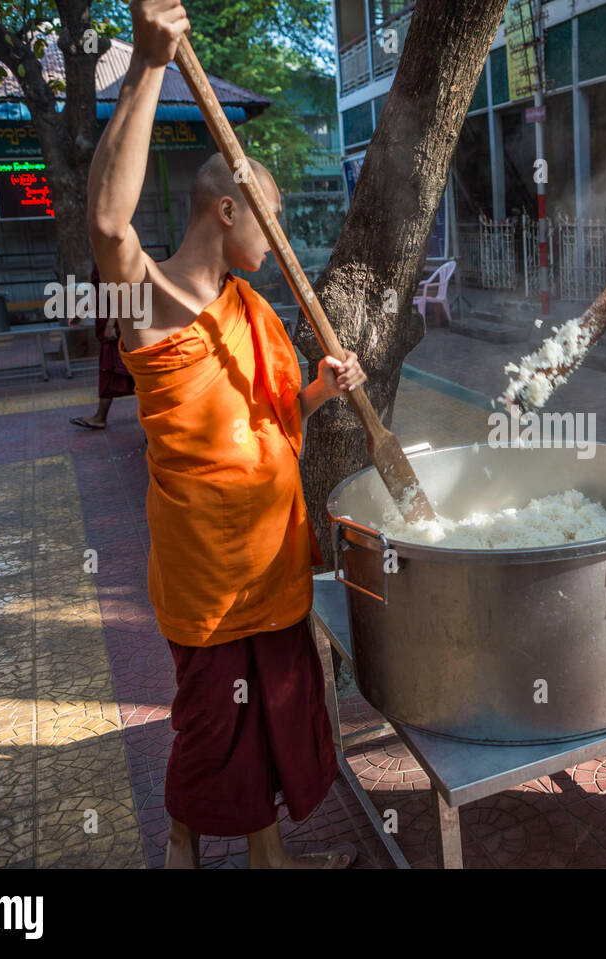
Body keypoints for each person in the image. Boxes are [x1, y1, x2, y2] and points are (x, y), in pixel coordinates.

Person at [88, 0, 366, 868]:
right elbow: (106, 224)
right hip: (207, 574)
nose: (280, 240)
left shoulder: (252, 308)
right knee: (215, 725)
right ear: (225, 212)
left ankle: (267, 857)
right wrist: (147, 64)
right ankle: (185, 844)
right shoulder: (150, 302)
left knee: (274, 717)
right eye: (271, 219)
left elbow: (270, 422)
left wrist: (317, 391)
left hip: (275, 566)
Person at [70, 266, 135, 429]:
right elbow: (97, 294)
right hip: (112, 329)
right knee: (118, 373)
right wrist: (80, 315)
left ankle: (100, 417)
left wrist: (111, 324)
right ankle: (100, 416)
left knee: (119, 371)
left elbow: (120, 293)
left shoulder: (110, 256)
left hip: (118, 330)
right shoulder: (100, 258)